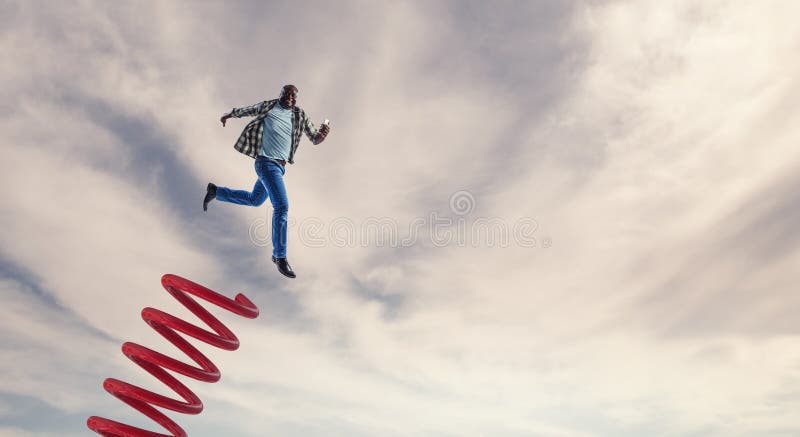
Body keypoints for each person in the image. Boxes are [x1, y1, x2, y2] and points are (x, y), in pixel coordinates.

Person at [203, 84, 330, 278]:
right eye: (286, 94)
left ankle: (216, 192)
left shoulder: (300, 115)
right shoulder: (269, 106)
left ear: (296, 99)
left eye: (293, 96)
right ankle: (279, 256)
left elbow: (315, 138)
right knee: (282, 206)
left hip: (279, 168)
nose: (289, 98)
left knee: (255, 200)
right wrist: (229, 114)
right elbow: (248, 110)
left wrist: (323, 133)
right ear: (280, 94)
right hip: (266, 163)